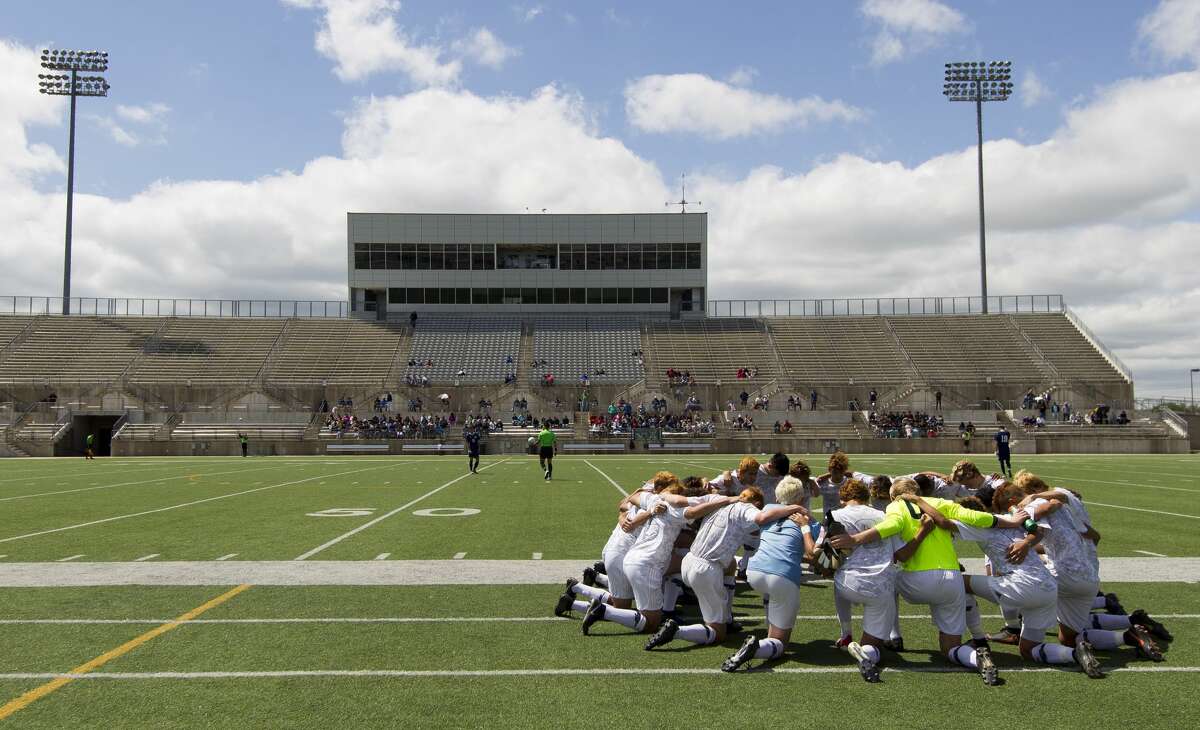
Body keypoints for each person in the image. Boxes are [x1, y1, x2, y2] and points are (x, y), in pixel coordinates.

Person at [830, 478, 1032, 686]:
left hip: (914, 581)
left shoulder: (896, 507)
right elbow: (974, 516)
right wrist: (1012, 521)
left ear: (893, 496)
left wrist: (855, 539)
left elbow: (891, 526)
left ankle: (888, 638)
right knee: (951, 647)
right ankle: (976, 657)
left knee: (885, 579)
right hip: (951, 580)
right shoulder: (938, 503)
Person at [644, 485, 808, 654]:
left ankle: (727, 618)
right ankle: (677, 631)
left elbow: (679, 500)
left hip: (689, 561)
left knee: (730, 566)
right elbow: (762, 518)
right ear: (757, 502)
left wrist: (663, 494)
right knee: (717, 632)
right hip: (706, 569)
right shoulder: (747, 508)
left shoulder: (717, 499)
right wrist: (794, 507)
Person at [719, 478, 817, 671]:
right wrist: (806, 527)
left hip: (754, 572)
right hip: (782, 576)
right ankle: (757, 648)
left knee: (775, 597)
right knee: (781, 644)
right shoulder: (809, 520)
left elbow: (765, 519)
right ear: (801, 497)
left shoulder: (769, 508)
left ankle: (765, 640)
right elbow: (811, 554)